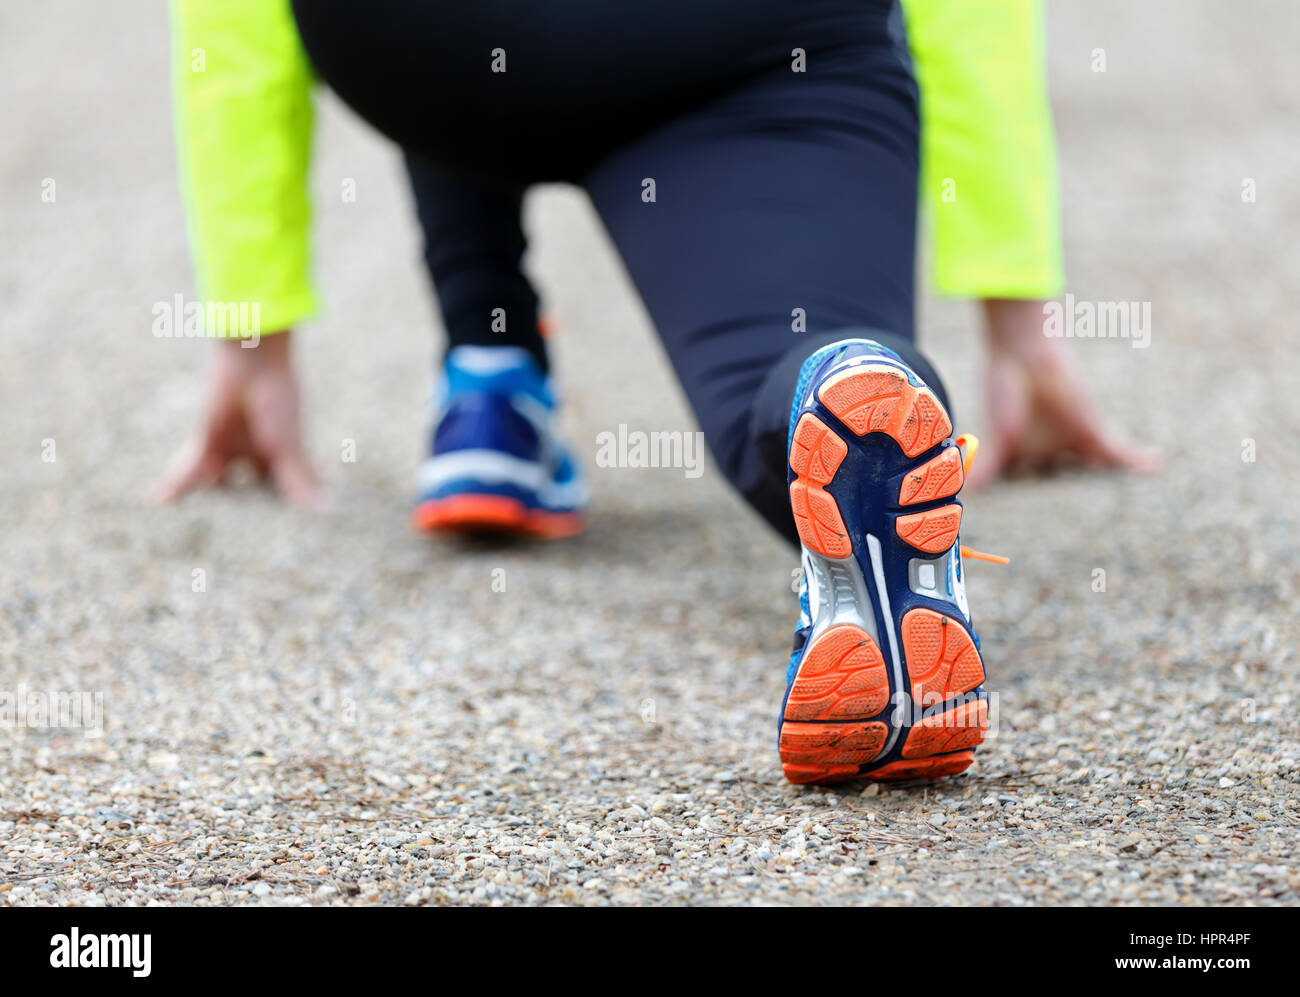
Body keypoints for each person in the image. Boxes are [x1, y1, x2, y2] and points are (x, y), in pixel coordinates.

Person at [152, 0, 1135, 785]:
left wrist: (251, 327)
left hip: (425, 45)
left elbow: (230, 25)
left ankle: (489, 374)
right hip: (734, 39)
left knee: (471, 60)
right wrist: (1017, 305)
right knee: (792, 358)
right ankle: (831, 386)